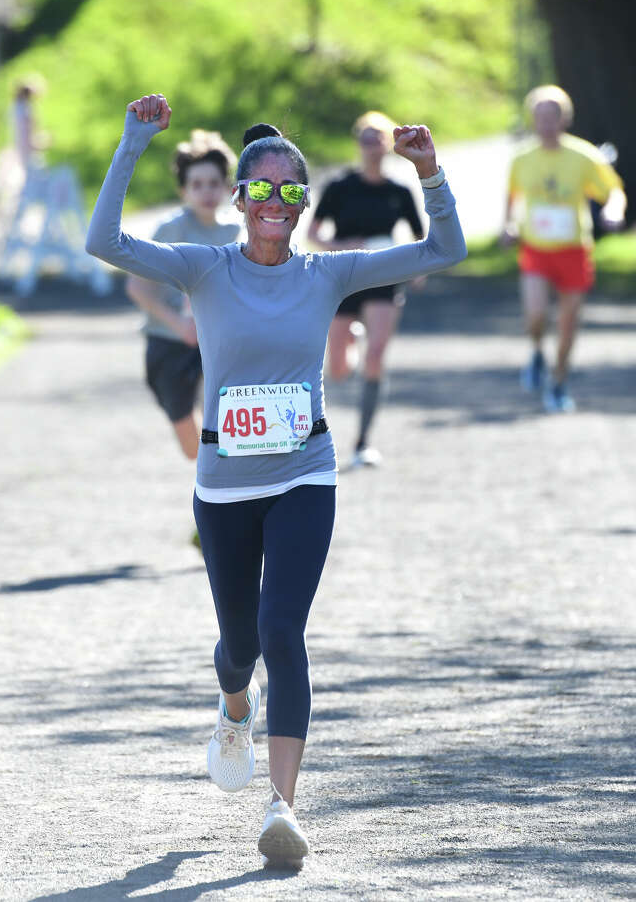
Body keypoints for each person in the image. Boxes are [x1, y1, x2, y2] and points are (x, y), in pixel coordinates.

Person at [86, 93, 466, 865]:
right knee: (239, 647)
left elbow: (442, 249)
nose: (273, 201)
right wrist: (130, 145)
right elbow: (105, 241)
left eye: (289, 190)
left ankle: (282, 807)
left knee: (281, 631)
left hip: (305, 475)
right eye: (259, 187)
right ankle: (236, 707)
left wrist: (430, 174)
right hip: (225, 487)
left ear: (301, 205)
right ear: (239, 198)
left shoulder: (328, 274)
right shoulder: (203, 267)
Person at [307, 111, 424, 467]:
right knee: (339, 369)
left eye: (378, 138)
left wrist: (417, 268)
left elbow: (420, 236)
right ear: (358, 144)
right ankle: (353, 339)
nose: (372, 145)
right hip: (344, 278)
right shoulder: (339, 187)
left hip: (383, 278)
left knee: (375, 358)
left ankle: (362, 442)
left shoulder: (398, 192)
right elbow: (313, 234)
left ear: (388, 144)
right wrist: (342, 246)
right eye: (366, 138)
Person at [503, 85, 626, 412]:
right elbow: (512, 195)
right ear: (533, 119)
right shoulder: (522, 158)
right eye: (540, 116)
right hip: (536, 249)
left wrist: (614, 210)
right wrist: (509, 225)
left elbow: (614, 190)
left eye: (552, 116)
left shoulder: (584, 156)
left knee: (568, 325)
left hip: (573, 250)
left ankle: (558, 382)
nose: (546, 123)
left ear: (564, 119)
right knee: (536, 315)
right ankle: (536, 352)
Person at [125, 130, 240, 463]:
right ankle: (211, 470)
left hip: (217, 343)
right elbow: (137, 288)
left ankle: (226, 485)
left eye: (214, 183)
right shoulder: (170, 231)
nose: (206, 192)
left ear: (227, 188)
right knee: (192, 446)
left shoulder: (236, 233)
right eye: (197, 184)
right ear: (183, 191)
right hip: (169, 342)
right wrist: (179, 325)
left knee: (224, 430)